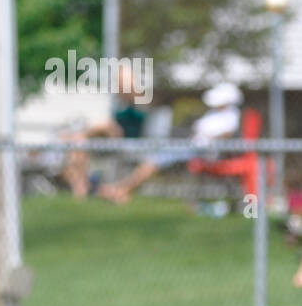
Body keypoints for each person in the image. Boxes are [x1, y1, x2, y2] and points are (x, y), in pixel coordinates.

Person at [98, 82, 242, 205]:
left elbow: (224, 136)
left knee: (155, 161)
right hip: (191, 147)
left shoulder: (231, 116)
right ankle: (123, 189)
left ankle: (122, 189)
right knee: (155, 158)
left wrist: (208, 137)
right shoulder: (215, 114)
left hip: (203, 152)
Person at [59, 65, 147, 199]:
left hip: (126, 143)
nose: (120, 86)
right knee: (80, 143)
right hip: (108, 141)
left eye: (124, 82)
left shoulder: (139, 104)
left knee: (89, 134)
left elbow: (119, 128)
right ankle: (82, 186)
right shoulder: (118, 104)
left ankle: (83, 187)